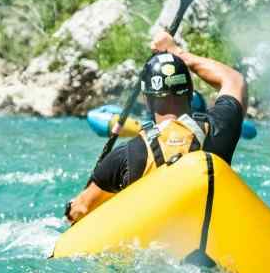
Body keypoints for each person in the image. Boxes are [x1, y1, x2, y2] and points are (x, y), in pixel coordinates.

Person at [64, 31, 247, 224]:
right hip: (211, 230)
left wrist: (72, 207)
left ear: (146, 100)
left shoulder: (126, 155)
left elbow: (80, 210)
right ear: (191, 92)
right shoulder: (220, 126)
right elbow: (234, 80)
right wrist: (178, 52)